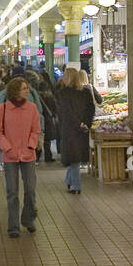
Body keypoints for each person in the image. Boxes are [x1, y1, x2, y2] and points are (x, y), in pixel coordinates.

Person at [0, 77, 42, 237]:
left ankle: (28, 219)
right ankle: (13, 226)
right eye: (24, 88)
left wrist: (31, 145)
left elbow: (36, 130)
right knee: (12, 192)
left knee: (30, 189)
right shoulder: (3, 108)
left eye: (27, 88)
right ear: (15, 91)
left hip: (28, 154)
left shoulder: (32, 108)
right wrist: (7, 148)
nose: (28, 91)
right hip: (10, 156)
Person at [55, 66, 96, 194]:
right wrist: (85, 123)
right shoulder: (86, 92)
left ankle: (76, 186)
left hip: (69, 129)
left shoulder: (63, 93)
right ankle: (69, 180)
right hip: (82, 129)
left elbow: (66, 112)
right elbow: (91, 109)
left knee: (73, 158)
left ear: (67, 77)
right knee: (76, 157)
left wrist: (78, 123)